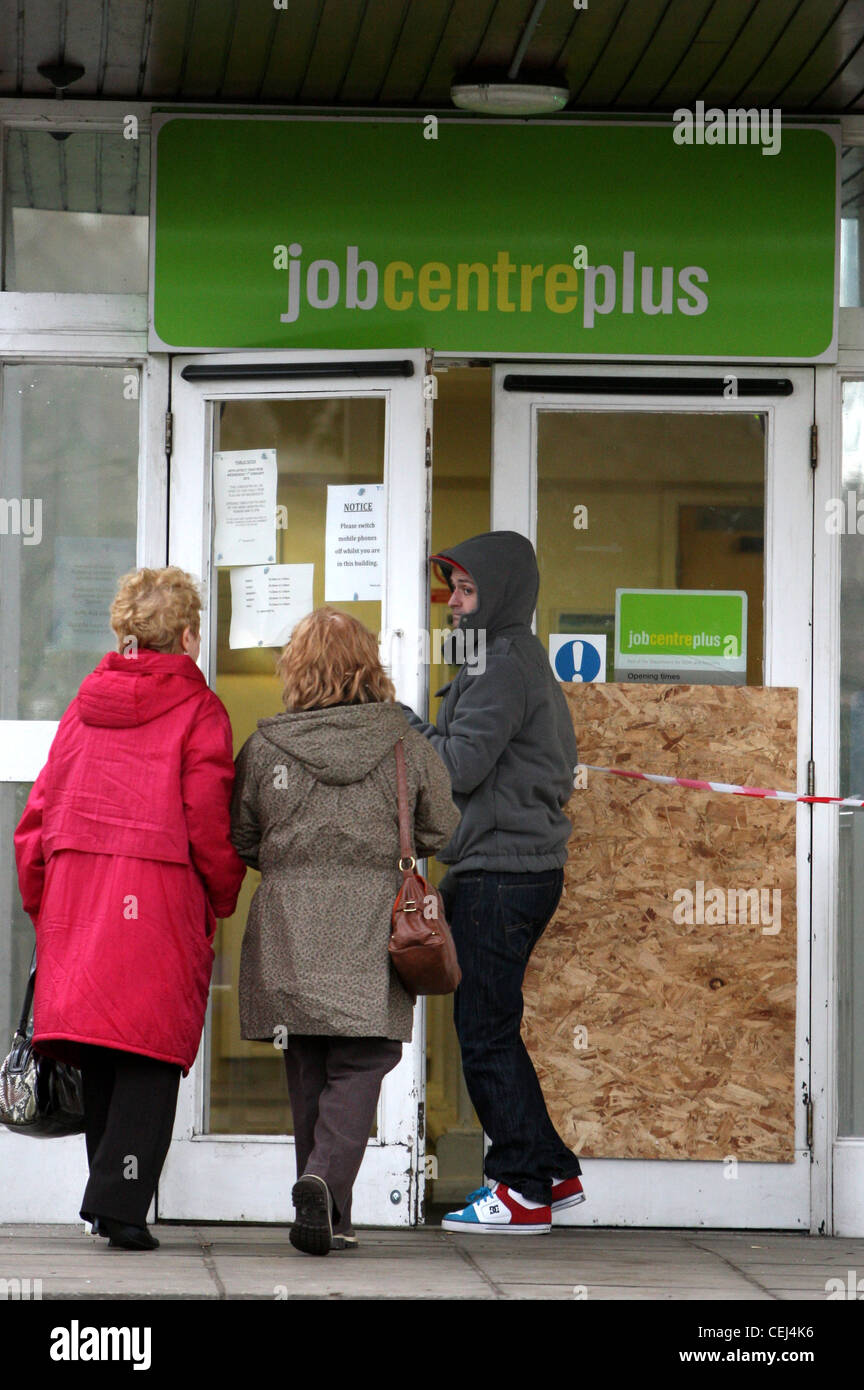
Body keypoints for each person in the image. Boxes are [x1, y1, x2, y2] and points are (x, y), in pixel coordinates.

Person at [14, 567, 245, 1251]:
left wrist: (44, 903)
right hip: (160, 905)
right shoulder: (200, 712)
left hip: (80, 901)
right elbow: (208, 821)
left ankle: (108, 1198)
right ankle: (117, 1204)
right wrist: (223, 893)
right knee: (147, 1055)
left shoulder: (81, 709)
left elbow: (35, 823)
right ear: (185, 634)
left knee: (101, 1050)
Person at [230, 606, 459, 1256]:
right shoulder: (404, 744)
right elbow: (443, 827)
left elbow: (243, 835)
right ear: (369, 665)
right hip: (369, 925)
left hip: (289, 928)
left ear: (294, 669)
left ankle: (327, 1206)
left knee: (309, 1064)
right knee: (362, 1060)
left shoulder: (266, 746)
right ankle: (325, 1189)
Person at [399, 530, 585, 1233]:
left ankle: (520, 1190)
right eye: (453, 589)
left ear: (501, 594)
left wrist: (403, 723)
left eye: (469, 590)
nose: (454, 604)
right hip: (508, 871)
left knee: (483, 1034)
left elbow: (457, 768)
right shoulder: (503, 660)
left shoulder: (504, 663)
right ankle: (552, 1168)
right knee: (495, 1027)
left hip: (502, 876)